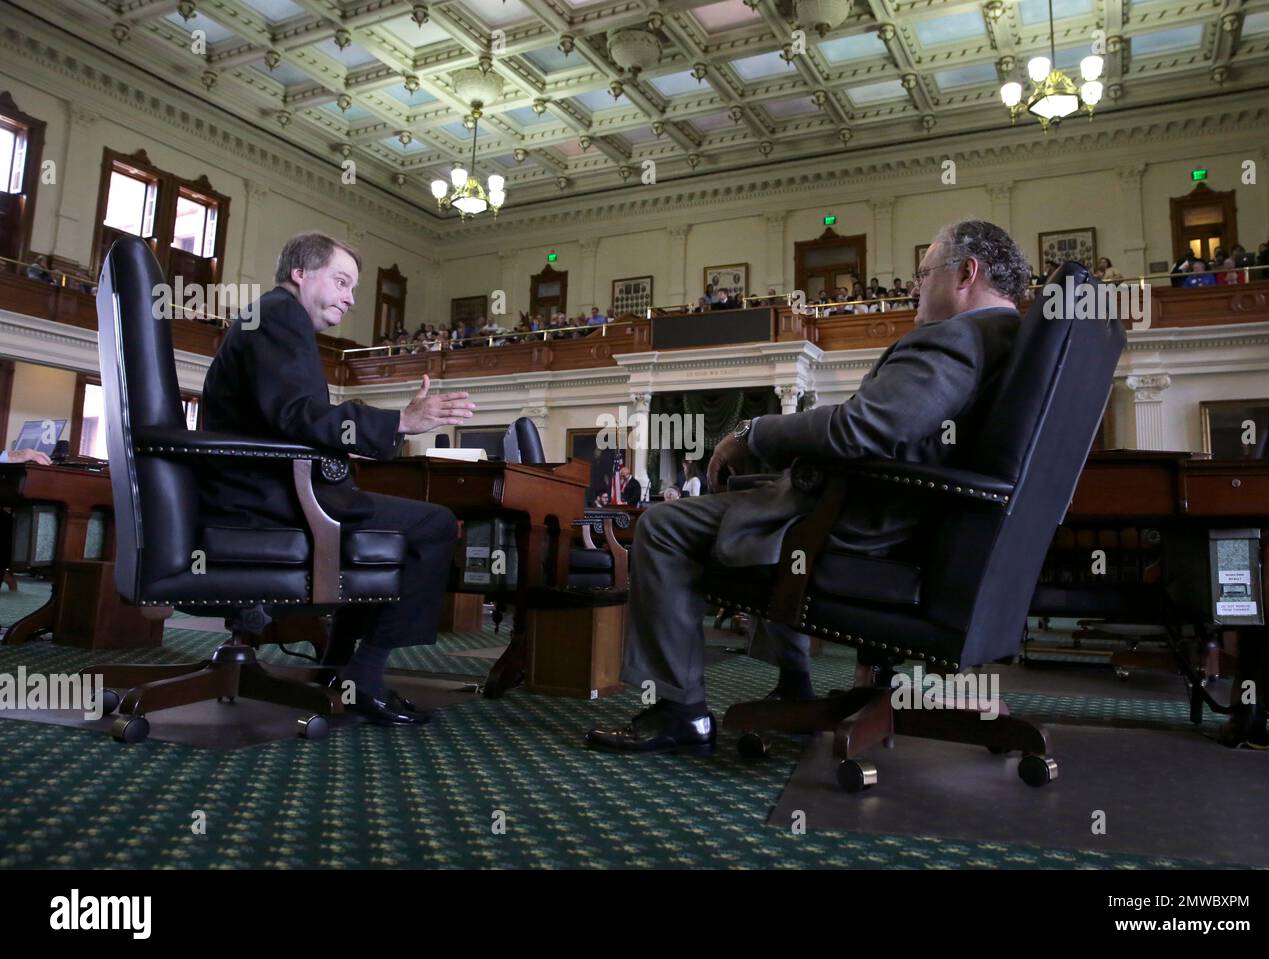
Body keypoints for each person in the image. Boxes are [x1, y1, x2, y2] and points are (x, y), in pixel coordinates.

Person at [585, 220, 1030, 754]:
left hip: (869, 528)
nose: (916, 285)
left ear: (966, 273)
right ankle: (792, 686)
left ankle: (678, 710)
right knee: (758, 508)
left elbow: (860, 429)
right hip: (925, 524)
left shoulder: (957, 339)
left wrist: (756, 432)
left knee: (662, 525)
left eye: (924, 273)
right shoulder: (1015, 343)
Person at [200, 233, 477, 726]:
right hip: (265, 498)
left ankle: (341, 669)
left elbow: (291, 417)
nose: (351, 297)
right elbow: (298, 415)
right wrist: (400, 424)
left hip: (254, 488)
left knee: (394, 526)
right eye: (342, 281)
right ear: (300, 274)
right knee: (433, 525)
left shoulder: (268, 315)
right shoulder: (280, 314)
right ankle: (363, 676)